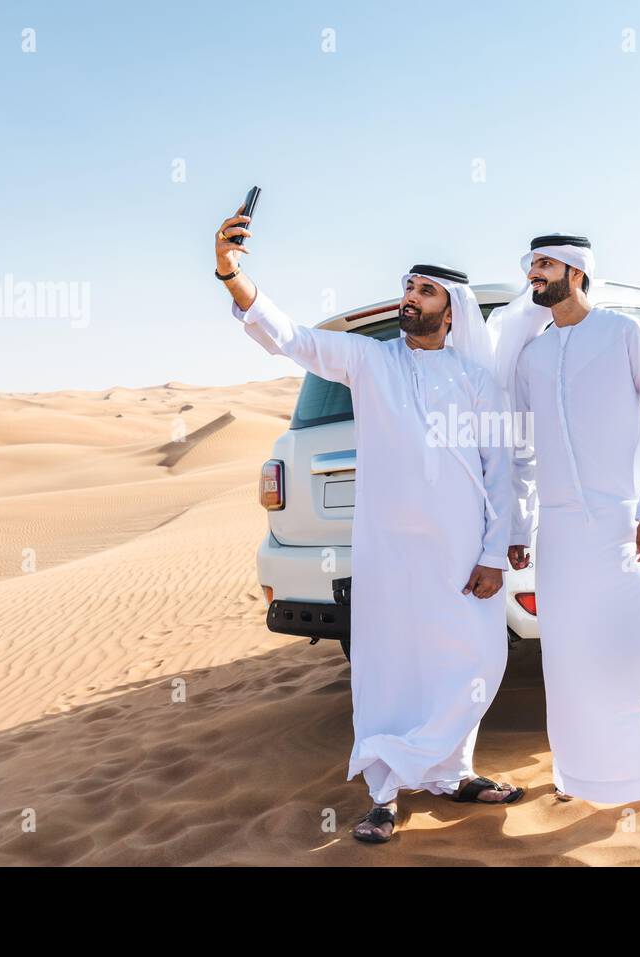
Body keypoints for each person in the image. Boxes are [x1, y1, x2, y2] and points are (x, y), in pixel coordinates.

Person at [213, 205, 524, 844]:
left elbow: (503, 469)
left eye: (424, 291)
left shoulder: (475, 380)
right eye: (408, 287)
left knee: (473, 657)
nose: (409, 298)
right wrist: (230, 274)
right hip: (388, 552)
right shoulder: (370, 362)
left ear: (452, 309)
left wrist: (497, 549)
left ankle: (451, 771)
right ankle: (385, 790)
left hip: (463, 550)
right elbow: (291, 338)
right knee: (389, 664)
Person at [499, 234, 640, 828]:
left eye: (543, 264)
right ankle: (580, 772)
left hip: (625, 526)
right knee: (569, 658)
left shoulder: (623, 334)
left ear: (577, 271)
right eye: (530, 265)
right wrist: (520, 522)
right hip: (559, 536)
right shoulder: (530, 357)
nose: (533, 274)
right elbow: (522, 452)